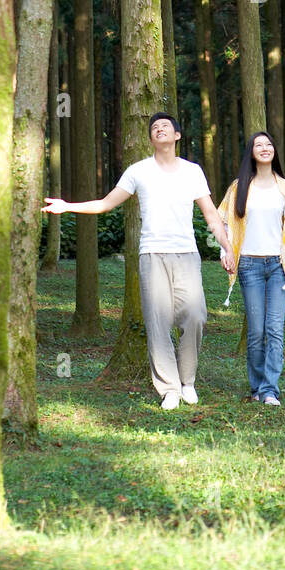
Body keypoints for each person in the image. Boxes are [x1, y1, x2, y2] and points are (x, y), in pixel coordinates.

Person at [42, 113, 234, 410]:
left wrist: (227, 246)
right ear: (151, 138)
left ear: (177, 136)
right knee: (157, 322)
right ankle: (169, 388)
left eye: (165, 127)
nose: (159, 130)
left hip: (186, 253)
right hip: (151, 254)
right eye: (154, 128)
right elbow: (106, 203)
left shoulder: (192, 171)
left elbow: (211, 214)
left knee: (196, 315)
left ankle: (188, 381)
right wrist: (68, 207)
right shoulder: (138, 171)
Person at [218, 132, 285, 408]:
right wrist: (225, 252)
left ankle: (270, 390)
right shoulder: (239, 186)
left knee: (275, 329)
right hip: (249, 265)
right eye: (258, 145)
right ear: (251, 153)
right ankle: (256, 387)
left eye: (268, 144)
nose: (265, 149)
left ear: (274, 151)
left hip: (278, 265)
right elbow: (226, 224)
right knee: (256, 331)